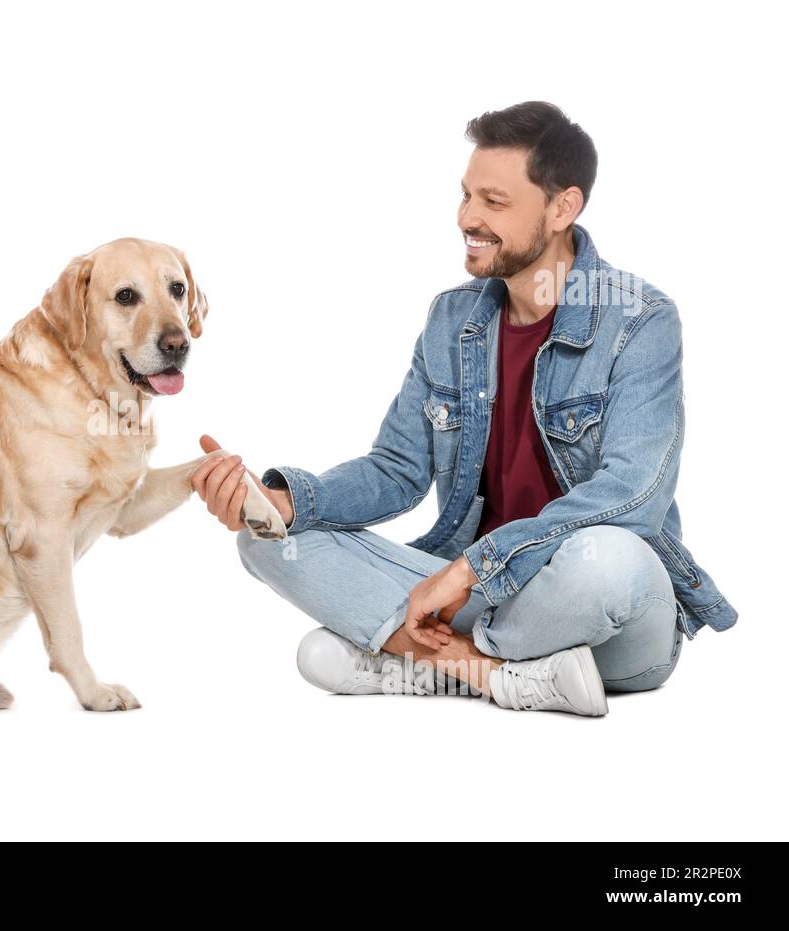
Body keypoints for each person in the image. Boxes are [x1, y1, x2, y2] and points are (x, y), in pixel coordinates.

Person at [191, 101, 737, 717]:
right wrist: (291, 503)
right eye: (466, 195)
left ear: (563, 208)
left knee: (611, 558)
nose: (467, 218)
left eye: (494, 202)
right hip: (474, 596)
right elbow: (396, 469)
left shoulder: (640, 319)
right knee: (269, 543)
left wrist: (474, 568)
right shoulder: (452, 320)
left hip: (596, 610)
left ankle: (413, 658)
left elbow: (633, 496)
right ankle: (491, 673)